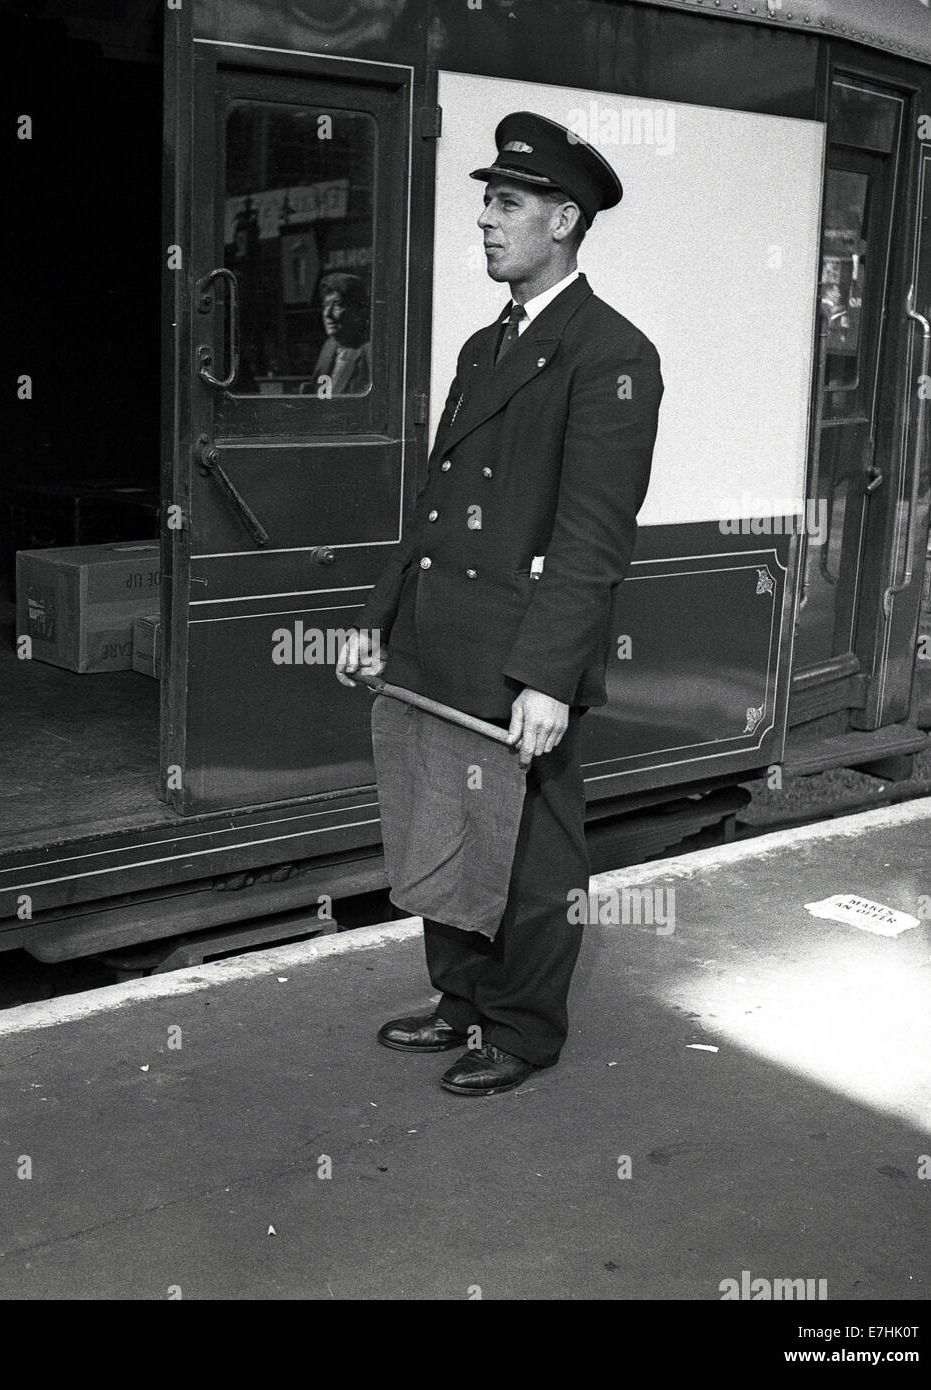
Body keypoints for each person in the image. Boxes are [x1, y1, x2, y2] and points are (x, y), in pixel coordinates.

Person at [336, 111, 664, 1097]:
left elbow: (592, 535)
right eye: (485, 200)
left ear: (562, 220)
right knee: (443, 822)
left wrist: (548, 679)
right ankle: (463, 1001)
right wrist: (378, 619)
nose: (483, 220)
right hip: (442, 639)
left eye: (505, 204)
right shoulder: (489, 344)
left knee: (529, 851)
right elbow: (433, 505)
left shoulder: (610, 353)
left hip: (520, 653)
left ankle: (522, 1029)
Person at [310, 272, 371, 395]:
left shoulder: (369, 350)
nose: (327, 314)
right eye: (325, 306)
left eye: (337, 305)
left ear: (359, 311)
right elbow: (320, 395)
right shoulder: (329, 346)